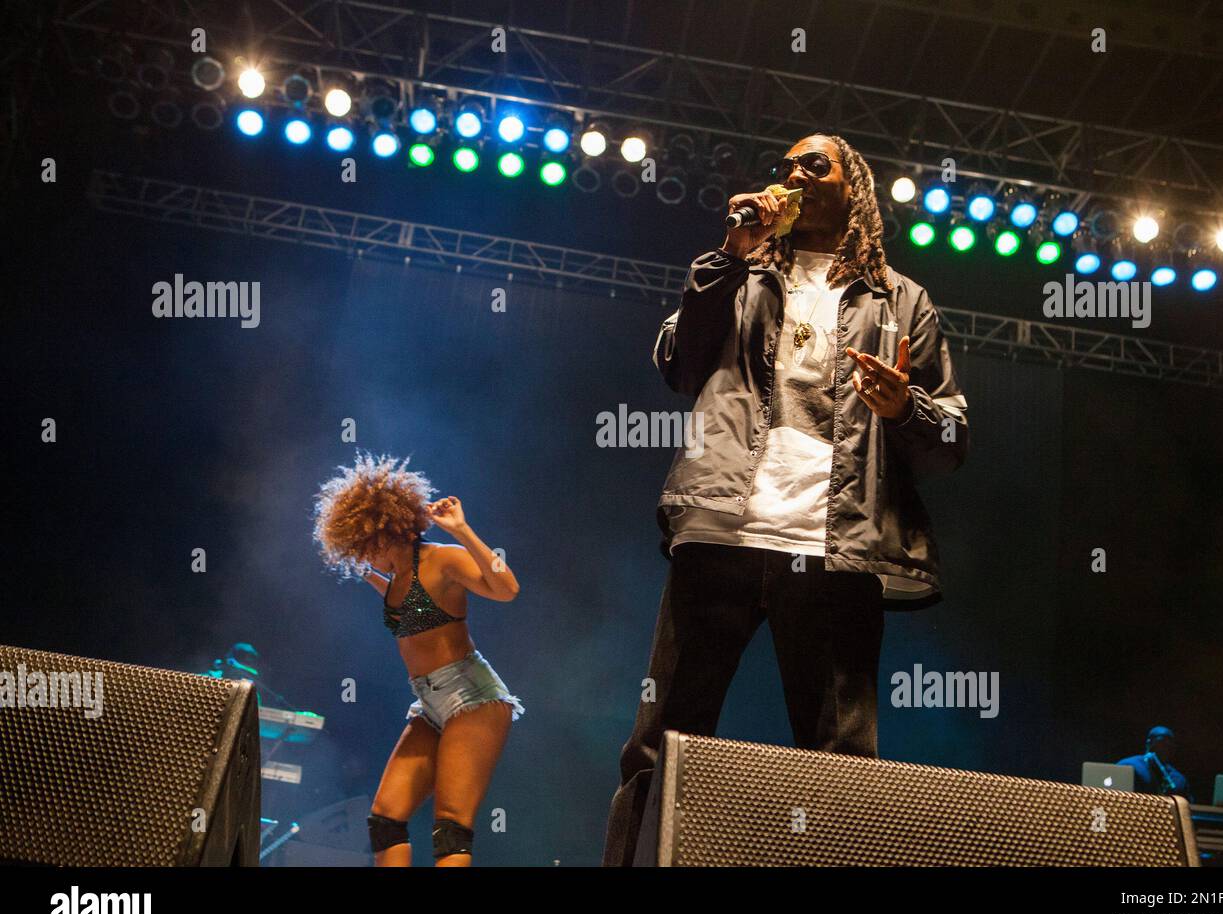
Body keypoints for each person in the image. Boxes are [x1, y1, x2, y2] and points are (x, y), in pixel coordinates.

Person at [602, 132, 970, 866]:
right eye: (786, 167)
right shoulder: (736, 272)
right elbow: (678, 365)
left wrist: (904, 408)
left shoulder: (902, 300)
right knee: (662, 744)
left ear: (852, 188)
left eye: (814, 165)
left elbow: (951, 438)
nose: (793, 176)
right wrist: (731, 253)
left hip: (837, 549)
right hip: (722, 533)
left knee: (839, 760)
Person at [313, 451, 523, 866]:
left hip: (473, 697)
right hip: (429, 705)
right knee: (385, 819)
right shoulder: (397, 580)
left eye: (362, 547)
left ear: (382, 532)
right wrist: (370, 576)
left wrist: (463, 531)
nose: (361, 556)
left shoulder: (442, 559)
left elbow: (507, 588)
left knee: (451, 827)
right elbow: (407, 608)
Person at [1117, 726, 1193, 800]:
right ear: (1149, 744)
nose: (1165, 748)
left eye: (1169, 745)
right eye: (1161, 743)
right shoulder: (1129, 765)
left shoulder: (1178, 779)